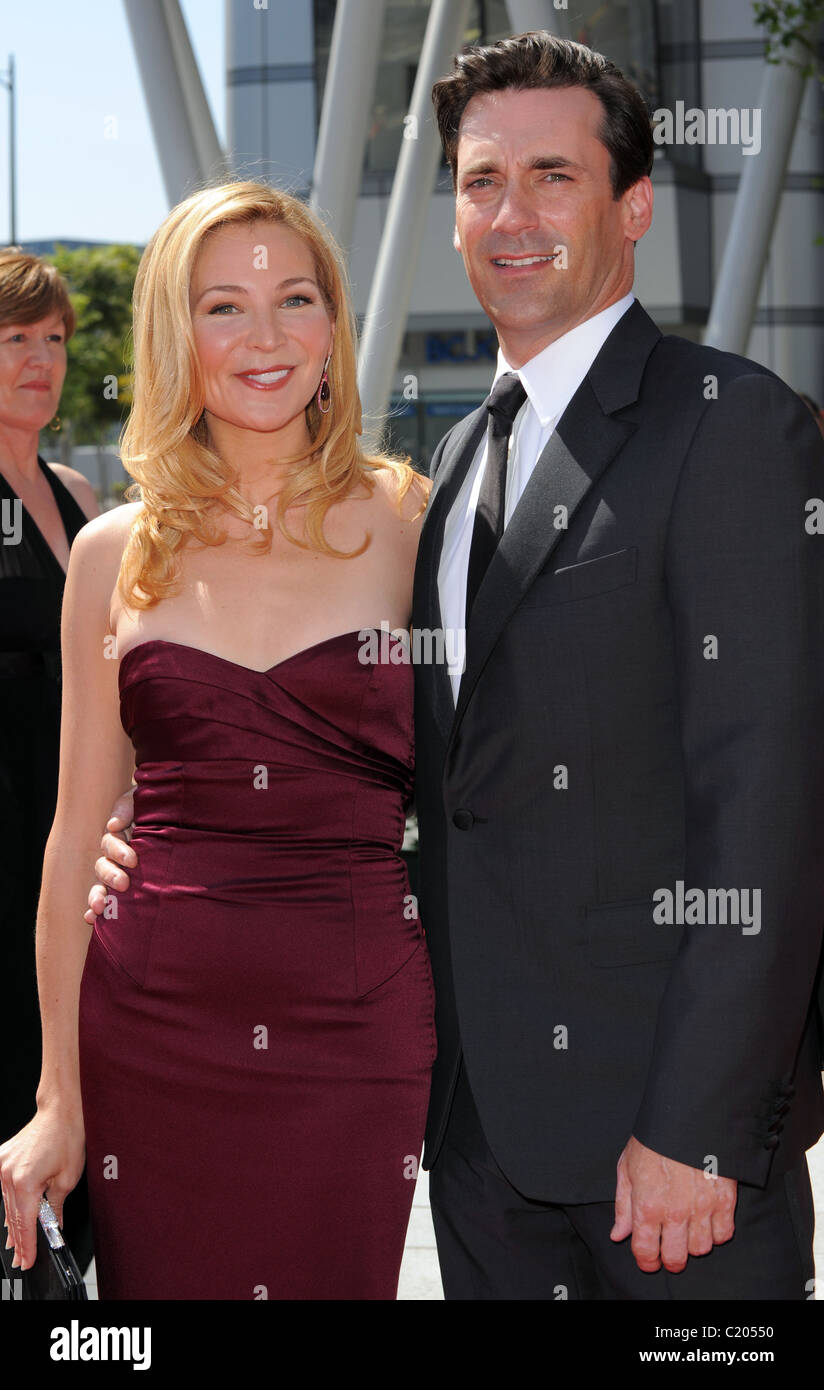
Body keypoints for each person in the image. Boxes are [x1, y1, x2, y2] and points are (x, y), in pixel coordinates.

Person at [81, 33, 824, 1302]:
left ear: (633, 203)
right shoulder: (454, 473)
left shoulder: (730, 426)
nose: (511, 216)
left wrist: (703, 1124)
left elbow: (770, 803)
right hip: (473, 1139)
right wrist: (133, 824)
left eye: (553, 176)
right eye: (481, 181)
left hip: (666, 1162)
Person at [0, 180, 435, 1300]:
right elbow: (69, 837)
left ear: (333, 326)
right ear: (172, 335)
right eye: (222, 306)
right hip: (150, 1028)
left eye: (294, 298)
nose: (264, 334)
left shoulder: (410, 521)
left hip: (358, 1025)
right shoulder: (109, 550)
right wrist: (59, 1095)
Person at [0, 249, 98, 1273]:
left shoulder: (77, 494)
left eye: (55, 340)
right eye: (16, 338)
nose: (41, 359)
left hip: (77, 849)